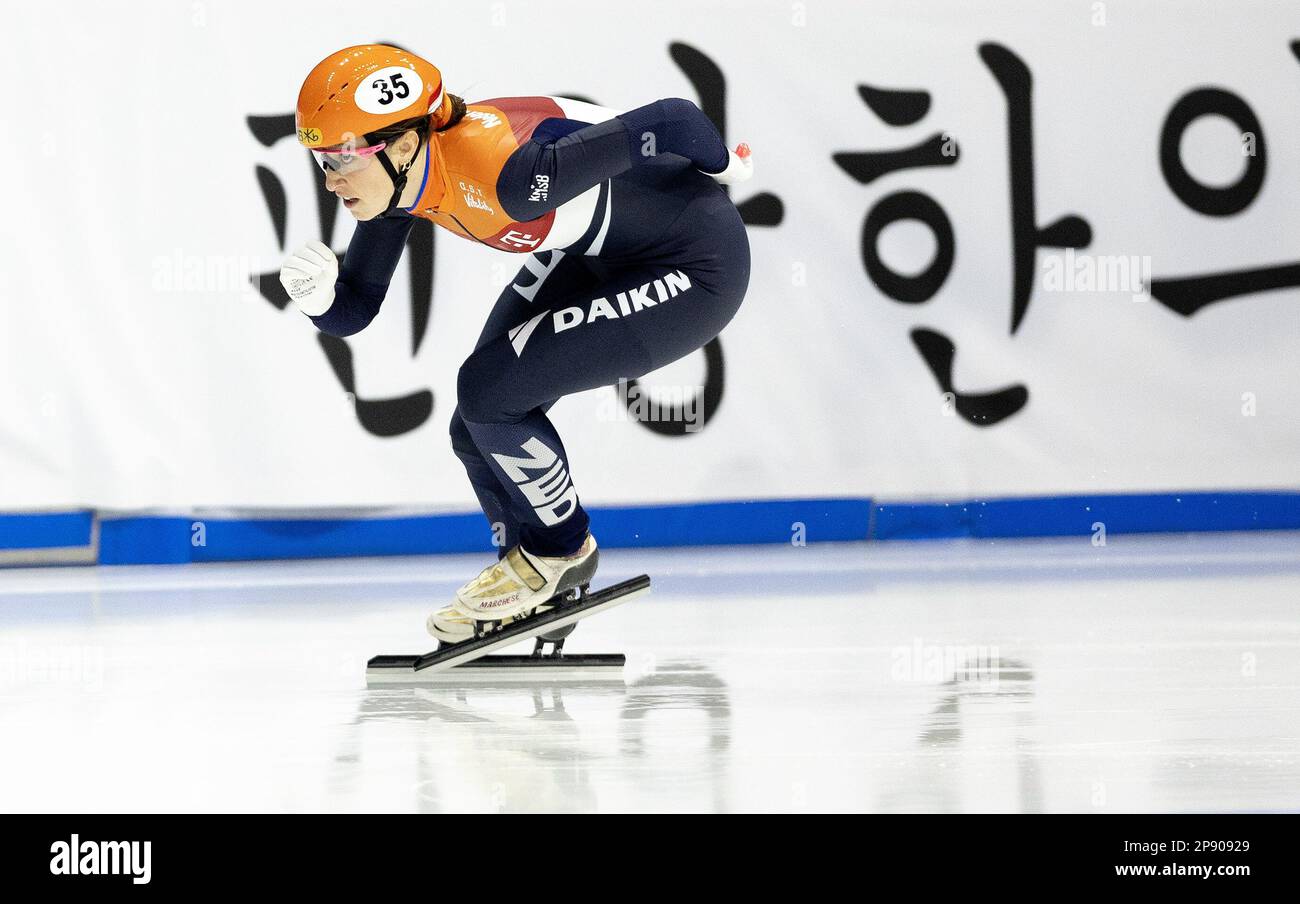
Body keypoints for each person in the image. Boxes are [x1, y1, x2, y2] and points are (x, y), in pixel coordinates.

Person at [280, 44, 752, 642]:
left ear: (403, 144)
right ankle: (528, 568)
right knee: (473, 423)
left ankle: (560, 555)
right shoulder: (400, 184)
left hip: (696, 267)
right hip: (599, 253)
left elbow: (675, 119)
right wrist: (319, 299)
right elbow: (354, 311)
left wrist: (725, 167)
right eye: (321, 159)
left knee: (488, 393)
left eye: (342, 156)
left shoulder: (507, 176)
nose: (330, 179)